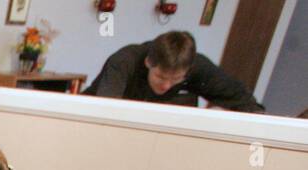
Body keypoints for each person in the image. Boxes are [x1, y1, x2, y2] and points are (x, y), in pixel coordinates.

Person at [84, 30, 264, 112]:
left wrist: (219, 116)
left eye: (176, 79)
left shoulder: (197, 66)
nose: (166, 85)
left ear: (188, 70)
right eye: (160, 76)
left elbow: (246, 101)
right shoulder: (124, 61)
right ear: (148, 62)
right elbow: (104, 111)